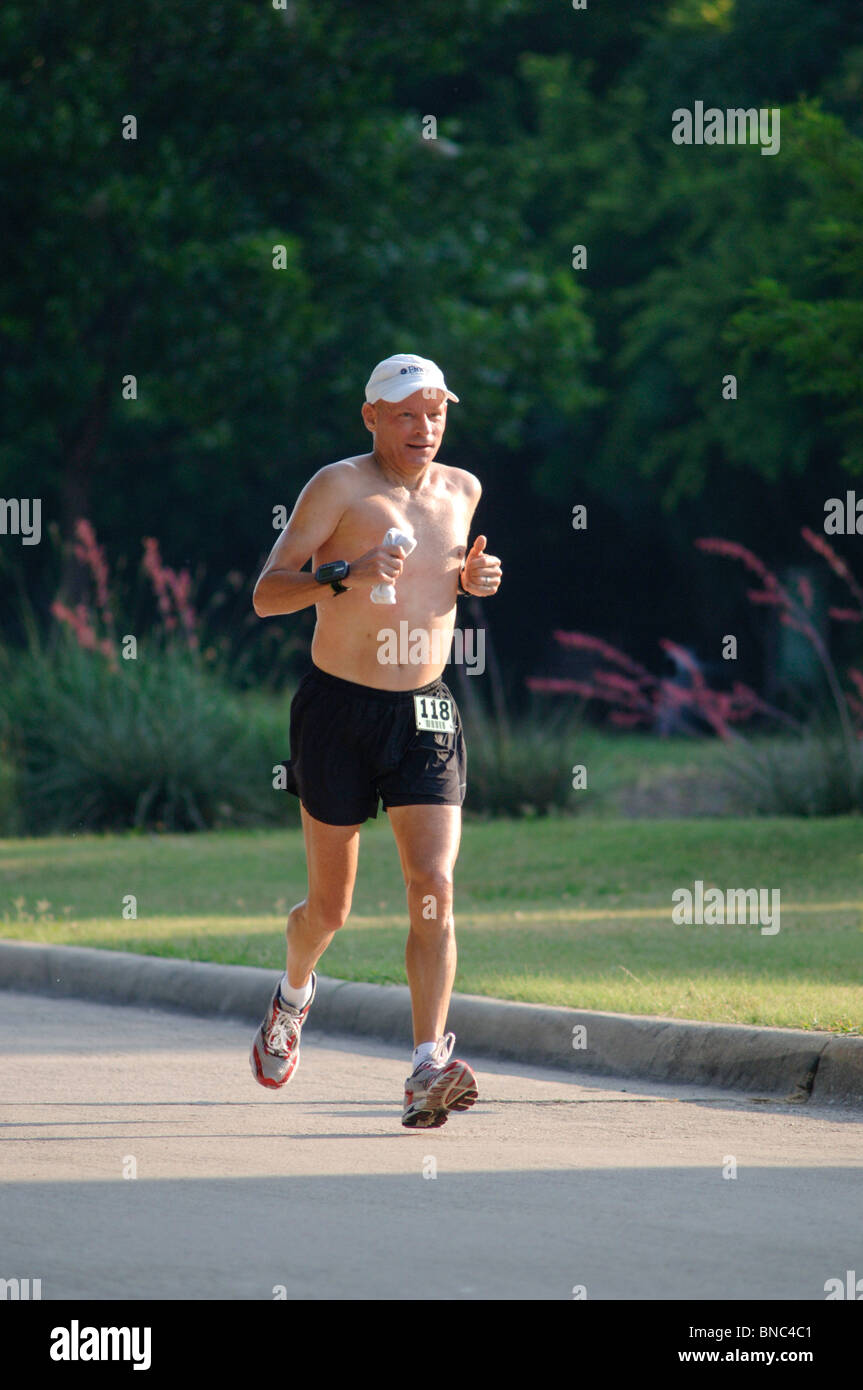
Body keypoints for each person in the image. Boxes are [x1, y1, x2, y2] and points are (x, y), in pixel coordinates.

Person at [249, 353, 502, 1128]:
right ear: (371, 418)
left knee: (434, 885)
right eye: (404, 414)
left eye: (434, 413)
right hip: (337, 712)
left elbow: (439, 572)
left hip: (423, 710)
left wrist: (468, 579)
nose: (422, 427)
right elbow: (267, 594)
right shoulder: (338, 485)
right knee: (330, 909)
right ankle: (293, 996)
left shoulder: (463, 490)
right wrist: (346, 574)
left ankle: (427, 1064)